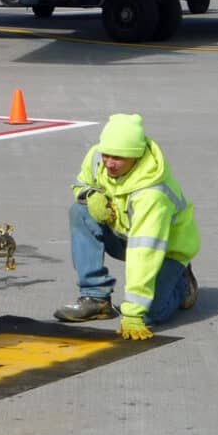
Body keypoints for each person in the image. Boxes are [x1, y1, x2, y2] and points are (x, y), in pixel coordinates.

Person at [55, 113, 200, 340]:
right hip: (124, 234)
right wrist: (90, 194)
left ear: (136, 156)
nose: (109, 163)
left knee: (151, 313)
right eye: (107, 155)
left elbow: (144, 251)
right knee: (80, 212)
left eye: (118, 158)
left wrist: (133, 312)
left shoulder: (152, 194)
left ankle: (182, 282)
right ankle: (95, 298)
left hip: (164, 250)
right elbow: (81, 182)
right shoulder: (97, 158)